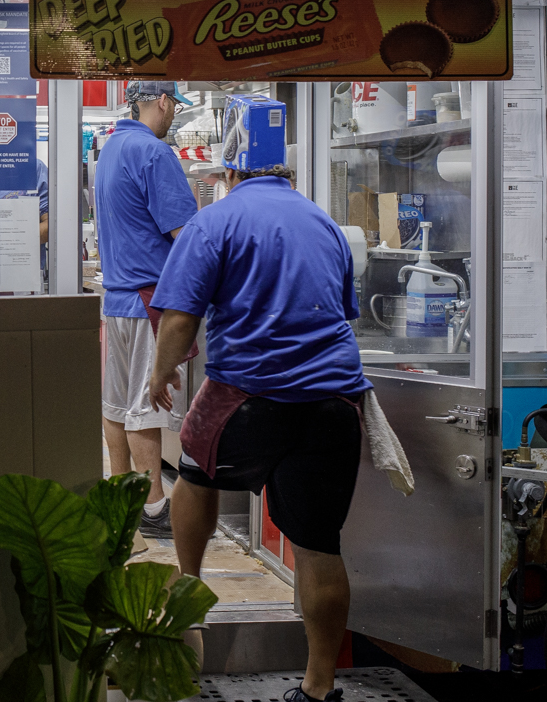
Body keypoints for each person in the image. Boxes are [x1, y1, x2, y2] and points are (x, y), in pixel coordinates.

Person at [149, 163, 370, 702]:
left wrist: (160, 374)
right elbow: (344, 312)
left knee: (194, 473)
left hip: (246, 393)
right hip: (335, 400)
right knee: (319, 545)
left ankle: (190, 591)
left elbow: (180, 318)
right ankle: (319, 686)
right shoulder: (324, 223)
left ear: (230, 174)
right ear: (287, 175)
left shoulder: (214, 221)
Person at [92, 80, 197, 540]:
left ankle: (122, 498)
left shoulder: (112, 147)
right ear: (163, 101)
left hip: (117, 298)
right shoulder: (154, 152)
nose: (174, 115)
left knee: (116, 405)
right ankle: (153, 508)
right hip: (148, 299)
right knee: (144, 408)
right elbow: (186, 236)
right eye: (175, 106)